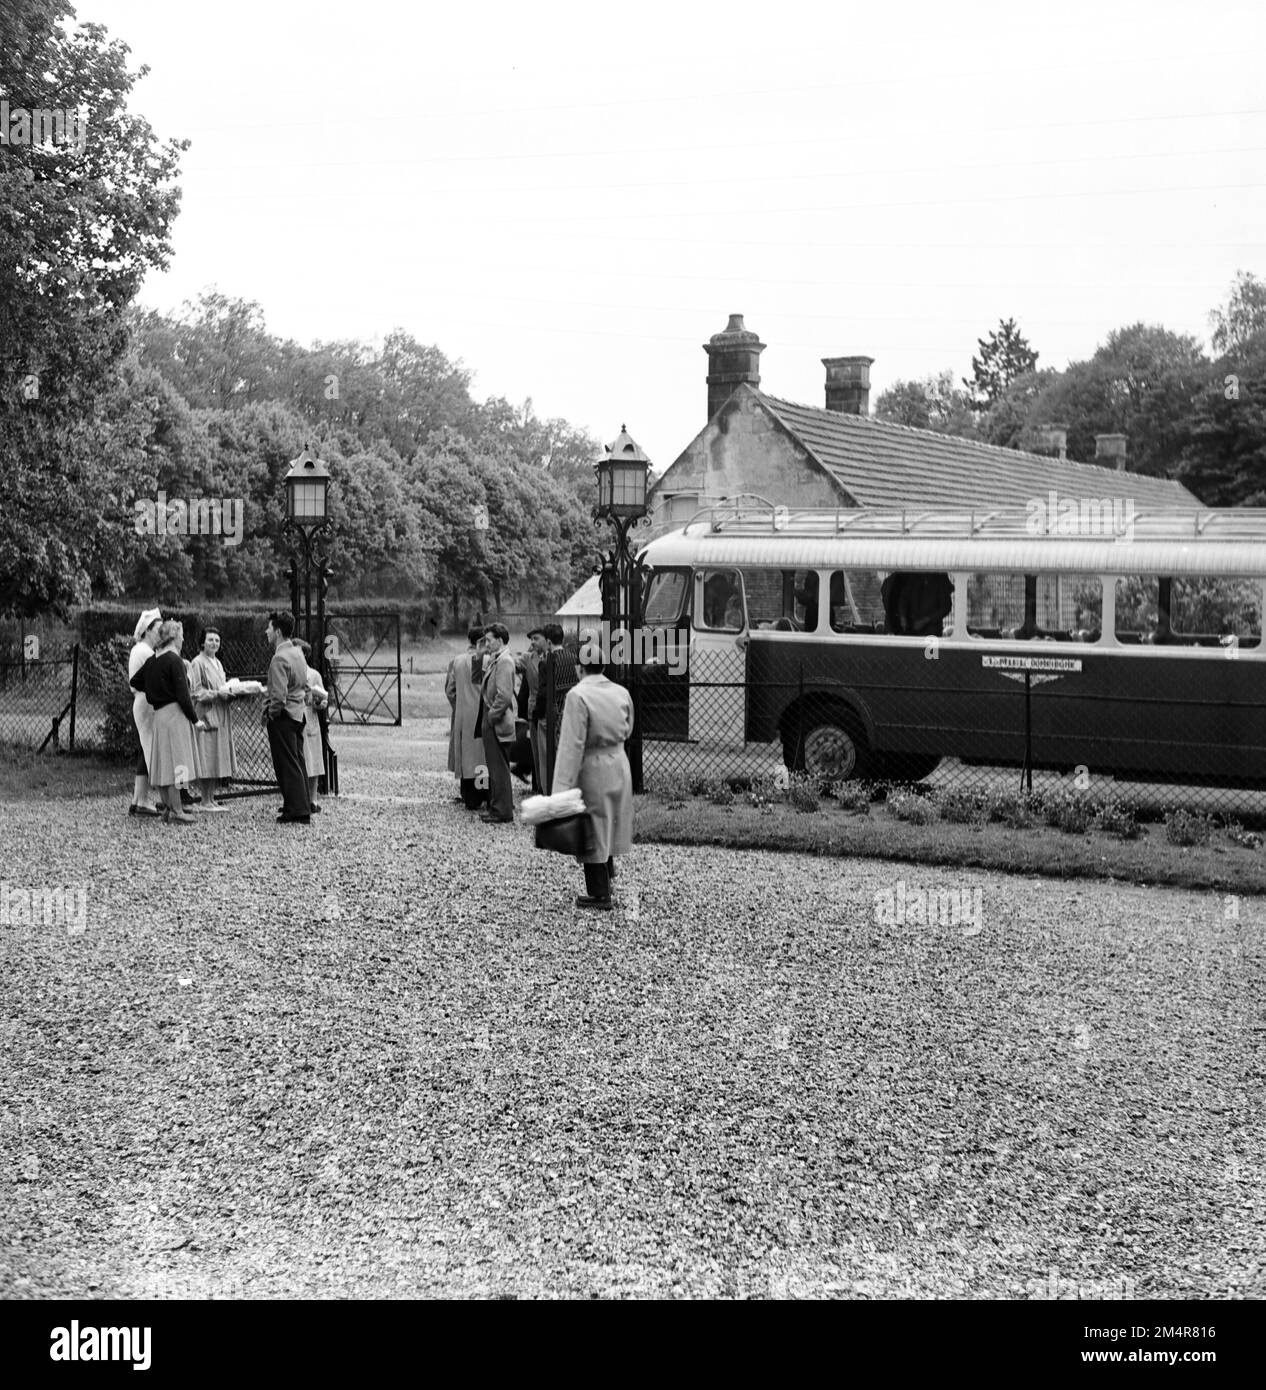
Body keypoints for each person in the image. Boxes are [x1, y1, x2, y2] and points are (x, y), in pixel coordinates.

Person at [552, 628, 635, 911]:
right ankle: (608, 877)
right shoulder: (621, 691)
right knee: (610, 820)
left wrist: (561, 788)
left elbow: (571, 744)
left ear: (579, 668)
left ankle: (600, 893)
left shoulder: (578, 695)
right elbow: (630, 726)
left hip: (593, 764)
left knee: (592, 826)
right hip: (618, 761)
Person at [130, 620, 208, 824]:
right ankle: (177, 809)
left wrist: (156, 687)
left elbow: (135, 681)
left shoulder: (153, 661)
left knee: (164, 764)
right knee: (180, 764)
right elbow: (183, 695)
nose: (183, 639)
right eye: (181, 635)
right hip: (175, 715)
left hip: (160, 716)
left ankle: (167, 807)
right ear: (173, 637)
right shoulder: (174, 660)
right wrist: (195, 719)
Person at [263, 611, 311, 824]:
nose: (266, 631)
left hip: (284, 715)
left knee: (286, 763)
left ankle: (297, 810)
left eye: (269, 628)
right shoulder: (298, 653)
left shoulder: (279, 657)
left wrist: (271, 714)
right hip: (298, 713)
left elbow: (278, 695)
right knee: (297, 760)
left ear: (278, 631)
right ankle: (300, 803)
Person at [188, 627, 238, 811]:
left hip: (221, 713)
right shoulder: (197, 663)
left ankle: (211, 798)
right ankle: (204, 799)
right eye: (210, 640)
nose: (214, 643)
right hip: (207, 713)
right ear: (202, 642)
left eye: (217, 640)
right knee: (207, 755)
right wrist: (217, 694)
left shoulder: (218, 663)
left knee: (217, 755)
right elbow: (195, 691)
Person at [445, 626, 488, 810]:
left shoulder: (457, 661)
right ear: (482, 641)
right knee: (480, 757)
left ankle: (467, 795)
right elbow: (484, 689)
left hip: (462, 715)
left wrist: (459, 706)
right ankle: (481, 795)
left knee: (465, 755)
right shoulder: (482, 660)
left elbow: (450, 690)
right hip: (480, 714)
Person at [478, 622, 517, 824]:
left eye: (489, 640)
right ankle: (498, 806)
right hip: (495, 720)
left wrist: (491, 717)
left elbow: (503, 695)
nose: (486, 644)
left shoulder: (504, 662)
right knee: (495, 766)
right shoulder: (498, 660)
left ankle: (501, 810)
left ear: (500, 640)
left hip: (497, 722)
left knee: (498, 767)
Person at [533, 623, 579, 790]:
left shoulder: (546, 662)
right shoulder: (572, 657)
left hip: (550, 713)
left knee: (546, 758)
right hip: (567, 711)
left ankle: (549, 791)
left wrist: (536, 714)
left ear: (549, 641)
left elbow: (543, 692)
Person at [128, 608, 163, 816]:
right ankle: (143, 799)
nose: (160, 633)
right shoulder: (144, 651)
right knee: (149, 748)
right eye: (158, 629)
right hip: (146, 702)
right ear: (148, 630)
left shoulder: (143, 650)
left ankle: (138, 798)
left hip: (145, 702)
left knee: (145, 749)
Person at [294, 639, 328, 813]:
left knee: (313, 760)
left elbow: (323, 698)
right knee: (298, 760)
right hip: (295, 717)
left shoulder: (314, 675)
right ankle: (299, 798)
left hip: (310, 719)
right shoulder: (288, 672)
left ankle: (313, 799)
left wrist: (320, 703)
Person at [520, 628, 547, 794]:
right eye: (531, 639)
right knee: (536, 752)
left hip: (551, 711)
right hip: (533, 711)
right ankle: (539, 787)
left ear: (546, 639)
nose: (532, 642)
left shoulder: (554, 656)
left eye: (536, 638)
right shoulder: (527, 658)